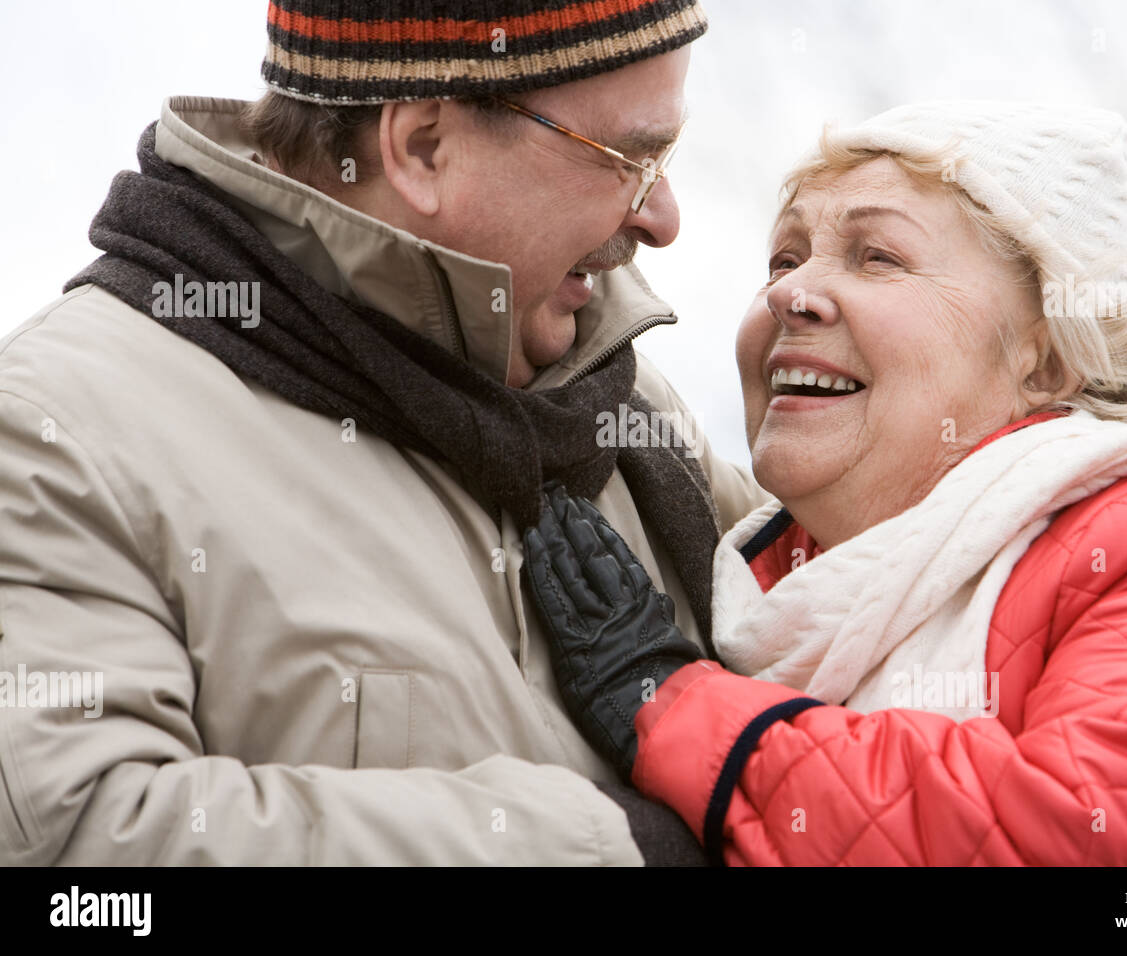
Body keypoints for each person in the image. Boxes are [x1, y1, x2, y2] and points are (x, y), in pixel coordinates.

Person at [0, 0, 768, 866]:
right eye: (626, 159)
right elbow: (83, 849)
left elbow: (884, 644)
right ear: (422, 148)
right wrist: (616, 848)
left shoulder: (623, 404)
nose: (662, 216)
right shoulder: (55, 425)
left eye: (664, 156)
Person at [523, 101, 1127, 865]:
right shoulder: (757, 580)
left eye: (879, 257)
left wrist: (679, 712)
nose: (789, 296)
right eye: (785, 260)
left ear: (1048, 358)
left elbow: (1103, 840)